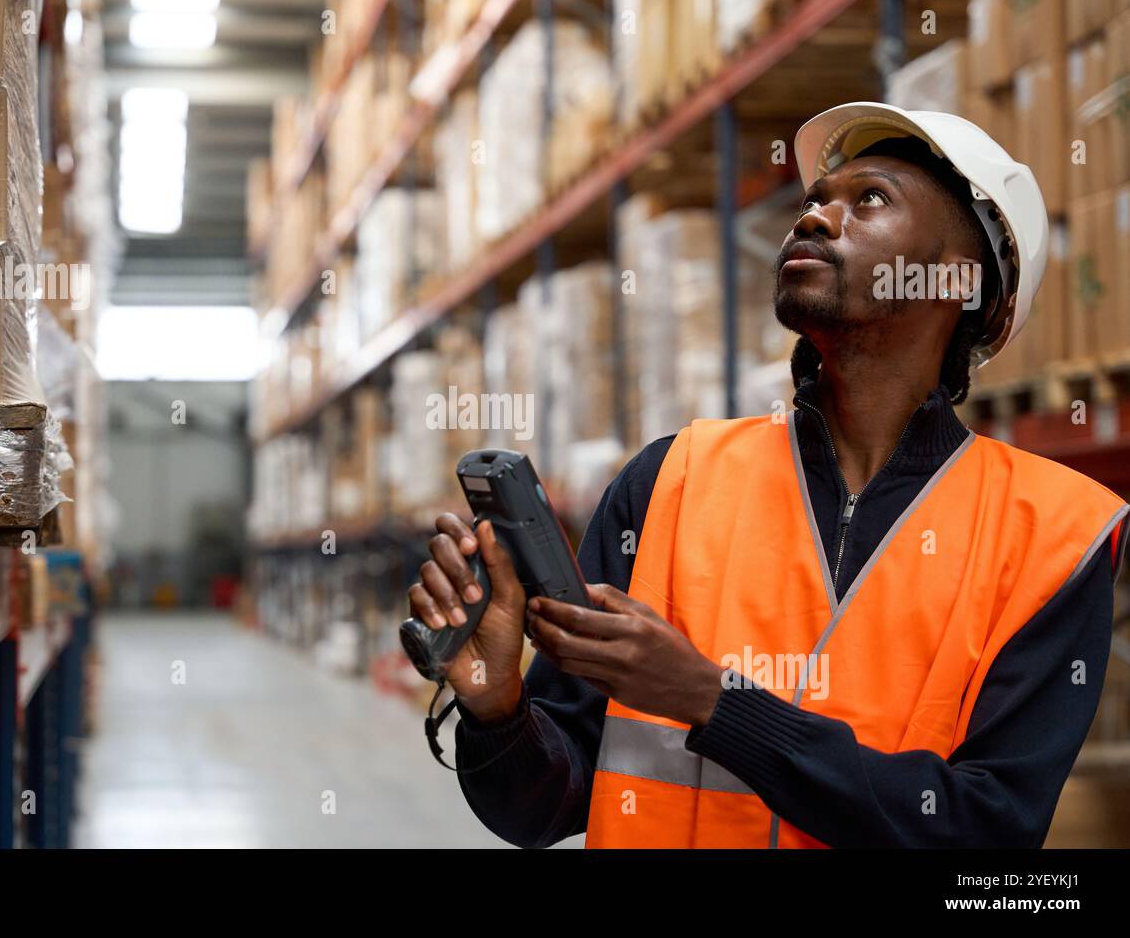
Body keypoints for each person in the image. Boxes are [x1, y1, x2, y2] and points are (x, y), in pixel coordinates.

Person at [405, 102, 1129, 848]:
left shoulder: (1055, 537)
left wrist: (713, 700)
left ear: (955, 277)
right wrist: (498, 711)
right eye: (814, 201)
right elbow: (544, 810)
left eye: (869, 199)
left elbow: (987, 832)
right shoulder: (669, 484)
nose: (813, 218)